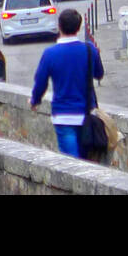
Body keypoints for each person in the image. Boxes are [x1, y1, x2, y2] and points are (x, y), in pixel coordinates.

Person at [30, 10, 104, 159]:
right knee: (87, 164)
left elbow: (40, 82)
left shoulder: (50, 53)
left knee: (71, 163)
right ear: (79, 27)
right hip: (86, 115)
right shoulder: (90, 50)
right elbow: (99, 74)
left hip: (63, 115)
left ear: (59, 26)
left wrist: (34, 101)